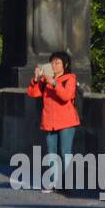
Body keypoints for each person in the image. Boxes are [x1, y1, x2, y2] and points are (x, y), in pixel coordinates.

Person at [27, 51, 79, 192]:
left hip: (67, 121)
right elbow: (32, 93)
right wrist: (37, 79)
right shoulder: (45, 81)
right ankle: (52, 181)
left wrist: (55, 83)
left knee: (65, 152)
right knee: (51, 152)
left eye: (58, 63)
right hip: (49, 120)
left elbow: (66, 96)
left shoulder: (69, 79)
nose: (54, 65)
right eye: (52, 63)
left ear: (65, 65)